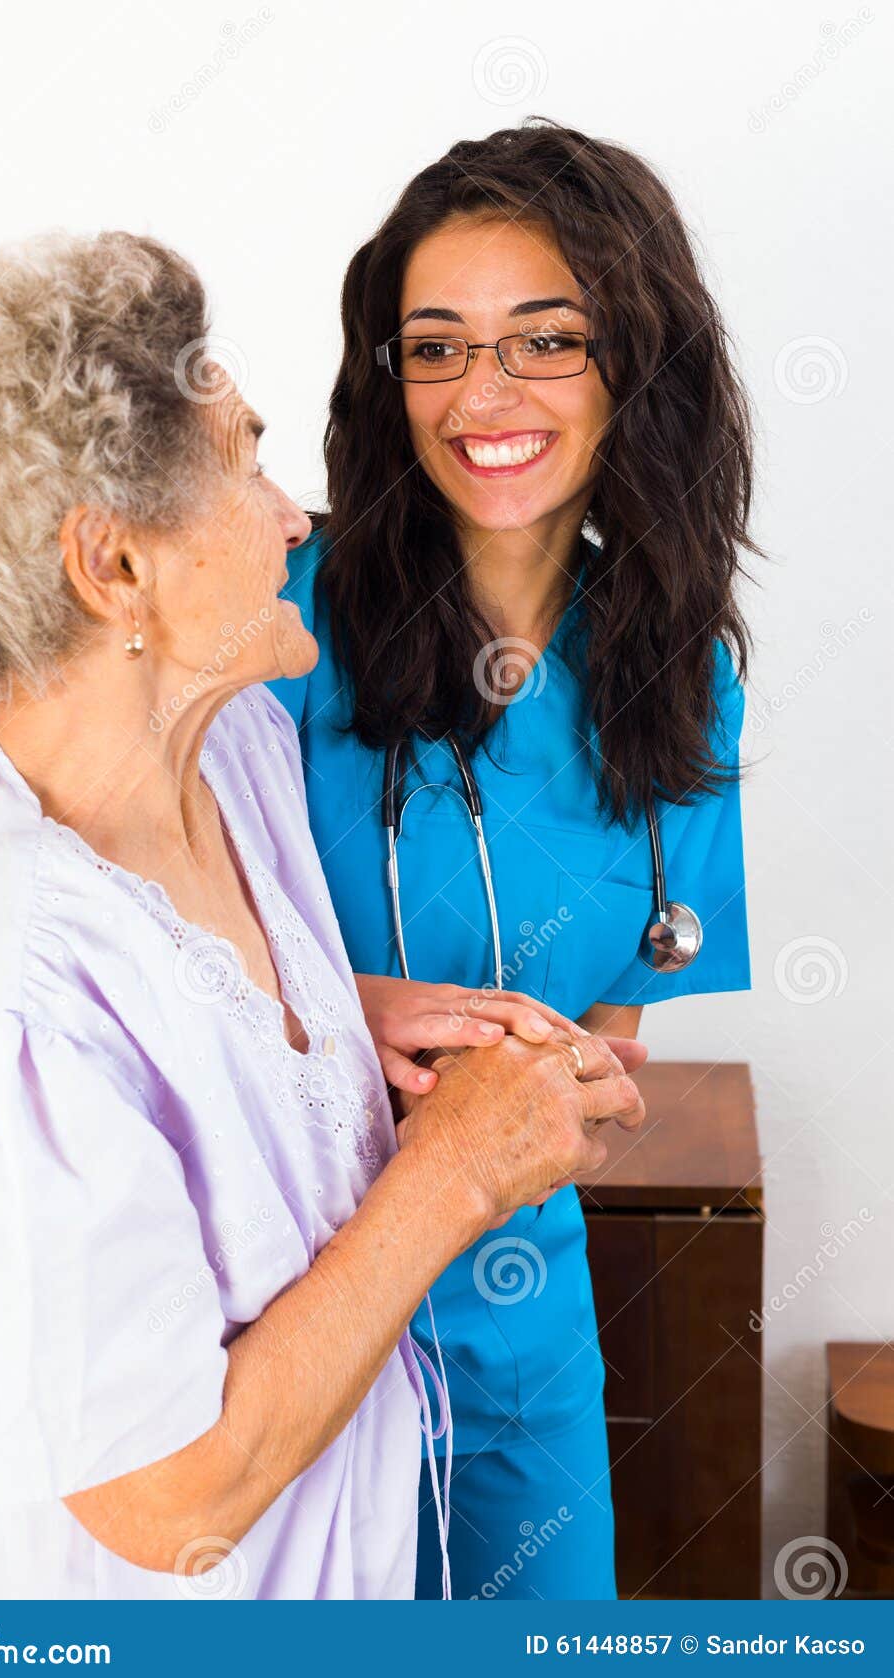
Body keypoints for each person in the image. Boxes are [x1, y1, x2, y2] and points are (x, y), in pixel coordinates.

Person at [0, 229, 647, 1601]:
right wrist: (456, 1169)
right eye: (246, 461)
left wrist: (338, 1019)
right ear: (116, 569)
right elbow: (172, 1496)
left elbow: (194, 1018)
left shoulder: (238, 753)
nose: (291, 514)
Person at [268, 119, 755, 1599]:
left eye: (546, 339)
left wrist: (578, 1099)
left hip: (517, 1322)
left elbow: (617, 1041)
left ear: (636, 363)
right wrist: (349, 1012)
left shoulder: (682, 673)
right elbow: (113, 977)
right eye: (436, 346)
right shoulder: (273, 625)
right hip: (272, 1318)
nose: (483, 393)